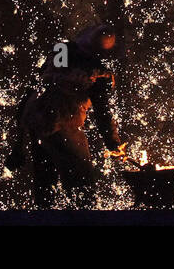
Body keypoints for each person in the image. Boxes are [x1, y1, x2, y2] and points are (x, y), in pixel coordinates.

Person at [7, 22, 126, 207]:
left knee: (46, 185)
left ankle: (45, 218)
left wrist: (19, 139)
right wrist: (113, 143)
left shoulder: (61, 50)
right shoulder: (99, 73)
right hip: (64, 123)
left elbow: (38, 87)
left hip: (36, 120)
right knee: (82, 186)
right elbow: (103, 112)